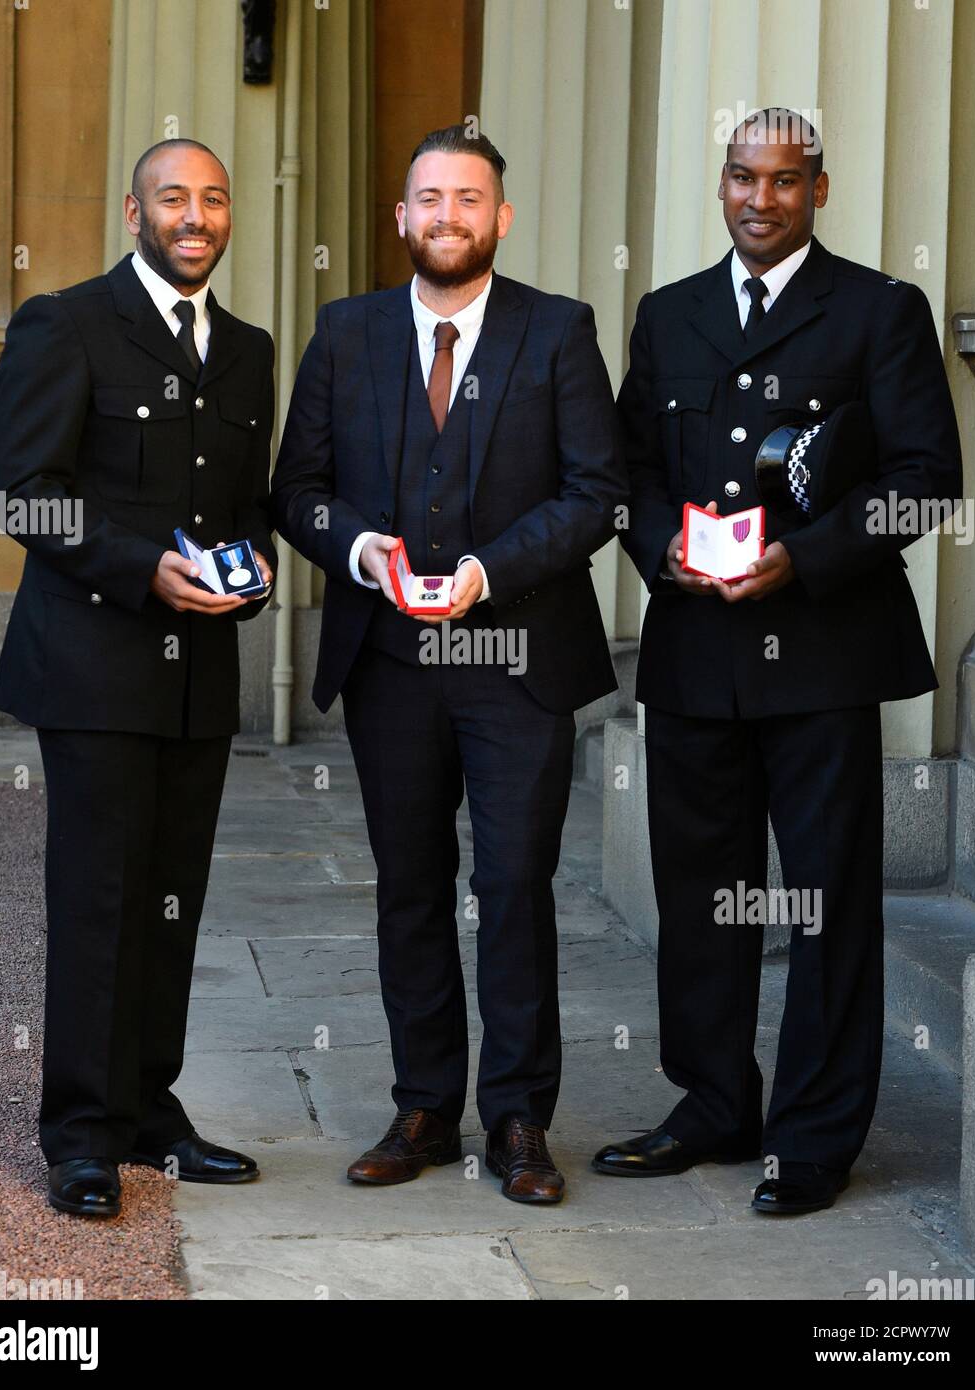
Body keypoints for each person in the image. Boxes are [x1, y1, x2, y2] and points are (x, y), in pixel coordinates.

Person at [593, 109, 962, 1214]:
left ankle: (813, 1136)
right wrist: (656, 538)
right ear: (722, 184)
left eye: (786, 181)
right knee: (699, 894)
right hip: (699, 648)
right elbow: (625, 468)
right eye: (744, 178)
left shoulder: (880, 311)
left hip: (824, 654)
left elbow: (923, 479)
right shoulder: (669, 315)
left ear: (820, 188)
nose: (762, 199)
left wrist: (800, 558)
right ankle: (713, 1101)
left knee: (827, 901)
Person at [271, 125, 626, 1204]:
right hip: (388, 658)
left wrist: (483, 571)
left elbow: (596, 492)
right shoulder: (345, 333)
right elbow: (298, 489)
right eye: (429, 198)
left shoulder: (559, 332)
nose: (447, 216)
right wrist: (364, 550)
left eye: (469, 199)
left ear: (500, 219)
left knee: (514, 885)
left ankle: (519, 1118)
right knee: (409, 886)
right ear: (402, 217)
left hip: (517, 658)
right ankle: (425, 1104)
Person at [0, 139, 276, 1218]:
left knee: (172, 898)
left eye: (211, 198)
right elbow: (25, 493)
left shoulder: (246, 350)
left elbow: (244, 504)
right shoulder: (64, 323)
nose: (193, 216)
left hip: (200, 668)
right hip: (96, 665)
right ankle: (80, 1135)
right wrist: (140, 565)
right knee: (101, 897)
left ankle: (153, 1111)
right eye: (173, 199)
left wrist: (246, 569)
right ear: (134, 212)